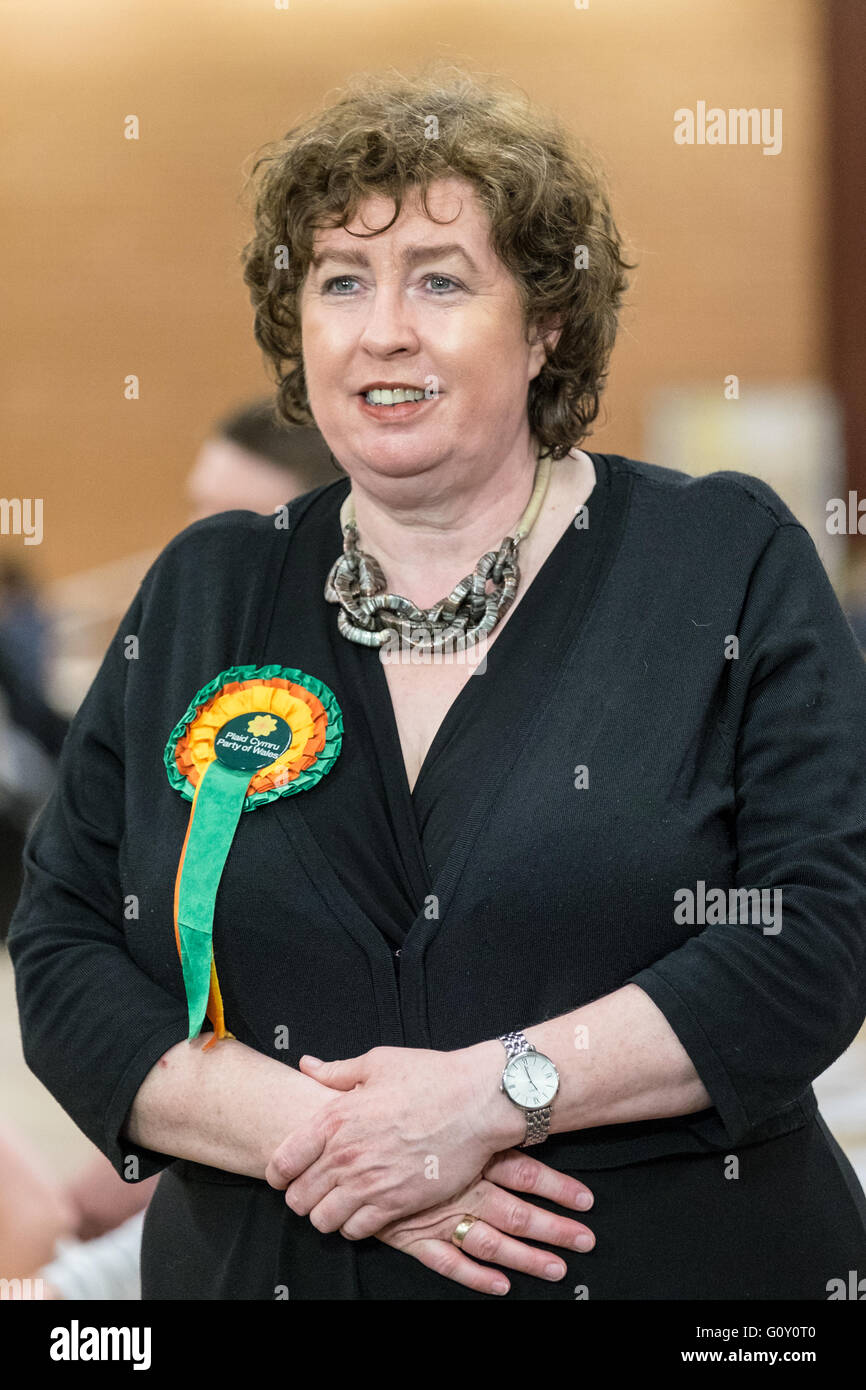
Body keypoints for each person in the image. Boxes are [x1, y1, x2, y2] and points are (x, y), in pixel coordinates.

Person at [8, 64, 866, 1301]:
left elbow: (812, 933)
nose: (382, 329)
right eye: (340, 281)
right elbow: (66, 945)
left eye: (440, 280)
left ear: (546, 326)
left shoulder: (722, 563)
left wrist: (491, 1095)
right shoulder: (209, 588)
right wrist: (337, 1145)